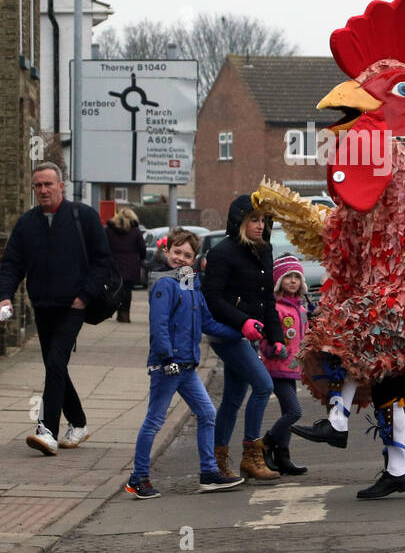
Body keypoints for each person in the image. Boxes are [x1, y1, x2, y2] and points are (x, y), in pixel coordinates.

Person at [0, 161, 112, 456]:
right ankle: (79, 422)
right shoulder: (27, 223)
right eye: (38, 185)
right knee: (55, 365)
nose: (44, 190)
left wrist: (84, 296)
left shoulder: (82, 217)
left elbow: (103, 261)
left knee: (56, 363)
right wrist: (5, 295)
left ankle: (47, 431)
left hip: (73, 305)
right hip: (43, 305)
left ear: (61, 186)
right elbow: (12, 263)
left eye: (49, 184)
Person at [125, 229, 245, 498]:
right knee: (155, 421)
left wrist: (241, 330)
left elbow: (206, 323)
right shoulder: (165, 285)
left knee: (206, 414)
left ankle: (209, 472)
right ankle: (138, 477)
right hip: (169, 366)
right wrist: (167, 358)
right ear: (166, 252)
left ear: (194, 259)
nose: (180, 258)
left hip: (187, 366)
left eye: (187, 255)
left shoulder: (190, 285)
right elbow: (159, 326)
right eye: (176, 252)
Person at [201, 195, 287, 482]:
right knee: (263, 386)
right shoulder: (222, 253)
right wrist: (242, 321)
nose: (260, 225)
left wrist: (276, 337)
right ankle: (252, 455)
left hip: (249, 334)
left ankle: (217, 462)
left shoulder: (264, 250)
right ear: (240, 222)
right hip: (227, 334)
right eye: (254, 220)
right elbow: (212, 298)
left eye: (263, 220)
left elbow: (267, 300)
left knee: (233, 399)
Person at [260, 255, 309, 476]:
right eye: (288, 276)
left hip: (293, 368)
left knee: (287, 411)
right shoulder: (276, 308)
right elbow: (265, 336)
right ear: (279, 280)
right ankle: (267, 443)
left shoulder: (300, 308)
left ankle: (283, 456)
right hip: (276, 367)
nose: (292, 281)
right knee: (294, 411)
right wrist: (272, 349)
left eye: (296, 277)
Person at [106, 205, 145, 322]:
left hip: (114, 263)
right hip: (131, 264)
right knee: (127, 290)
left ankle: (114, 310)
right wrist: (140, 260)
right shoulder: (136, 231)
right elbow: (142, 248)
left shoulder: (109, 230)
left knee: (115, 288)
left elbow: (104, 247)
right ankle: (125, 314)